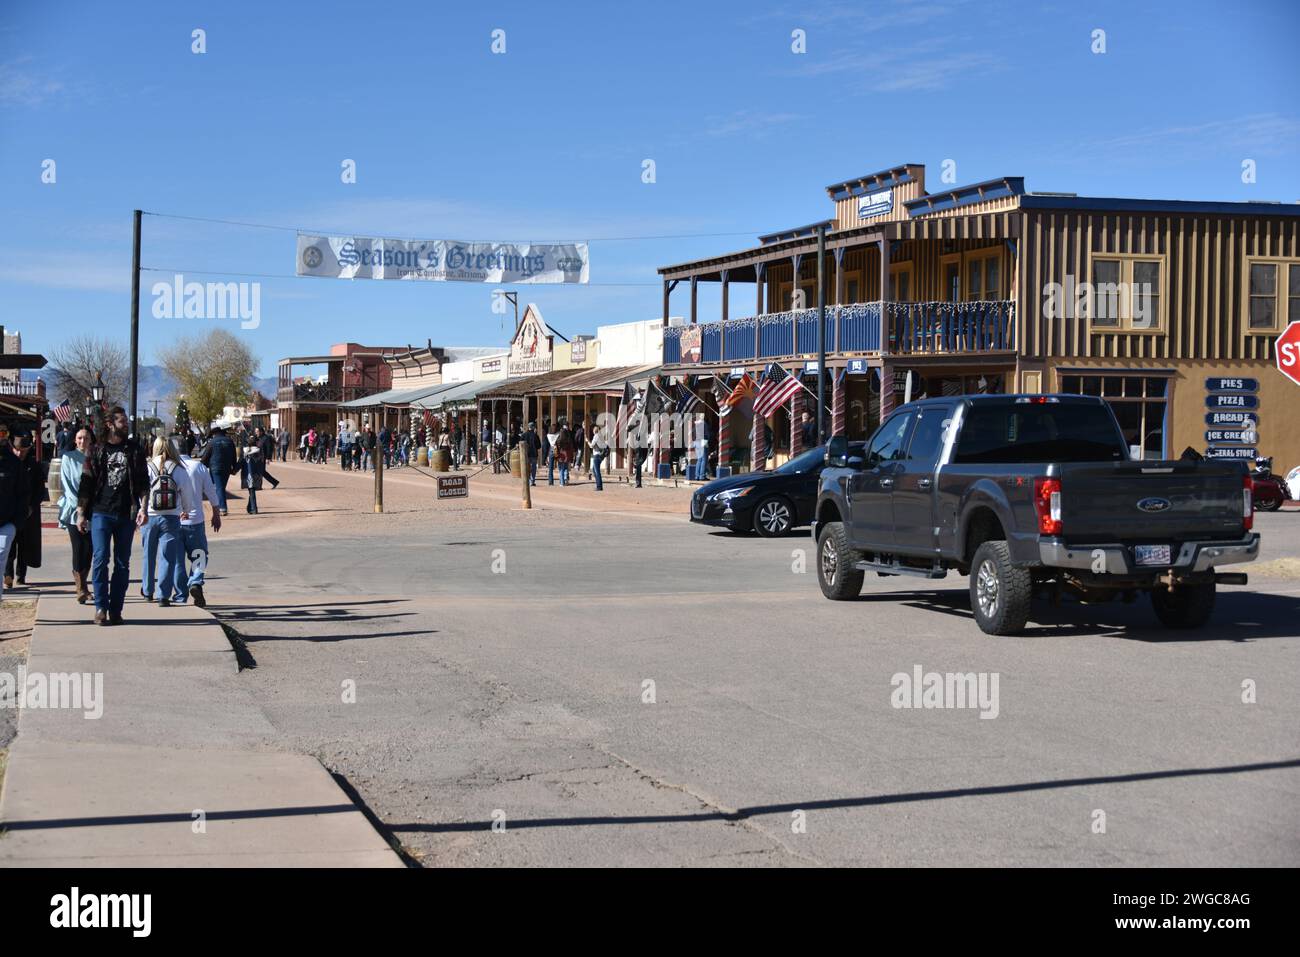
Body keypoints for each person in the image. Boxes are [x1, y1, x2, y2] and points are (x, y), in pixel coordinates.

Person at [78, 406, 149, 626]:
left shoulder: (134, 450)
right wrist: (81, 513)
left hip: (125, 514)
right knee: (100, 559)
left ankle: (116, 609)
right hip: (100, 512)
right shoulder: (97, 449)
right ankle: (101, 607)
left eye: (126, 421)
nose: (126, 424)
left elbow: (143, 483)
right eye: (122, 421)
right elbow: (86, 483)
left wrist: (143, 508)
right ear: (110, 424)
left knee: (122, 563)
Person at [173, 443, 221, 606]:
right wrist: (216, 513)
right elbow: (211, 491)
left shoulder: (170, 467)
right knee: (200, 554)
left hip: (174, 520)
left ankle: (180, 596)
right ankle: (196, 581)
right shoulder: (199, 467)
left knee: (178, 560)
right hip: (195, 521)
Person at [141, 436, 184, 606]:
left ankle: (147, 590)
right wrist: (184, 510)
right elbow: (185, 491)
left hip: (150, 515)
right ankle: (163, 595)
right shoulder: (178, 468)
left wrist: (141, 510)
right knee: (168, 556)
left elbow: (142, 490)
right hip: (171, 516)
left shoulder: (148, 466)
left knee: (148, 555)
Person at [3, 435, 45, 589]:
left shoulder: (34, 465)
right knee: (9, 545)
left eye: (23, 450)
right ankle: (8, 575)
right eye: (17, 450)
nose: (20, 453)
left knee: (25, 545)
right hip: (10, 511)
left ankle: (21, 575)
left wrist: (32, 506)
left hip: (28, 511)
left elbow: (40, 490)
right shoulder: (8, 464)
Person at [57, 426, 94, 603]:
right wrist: (80, 509)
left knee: (90, 549)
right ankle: (80, 587)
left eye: (86, 438)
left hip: (94, 511)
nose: (82, 441)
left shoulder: (95, 457)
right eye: (79, 438)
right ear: (74, 439)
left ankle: (85, 585)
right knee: (78, 548)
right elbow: (67, 485)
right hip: (73, 509)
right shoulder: (68, 458)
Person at [0, 425, 30, 605]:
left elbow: (23, 494)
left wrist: (16, 523)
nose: (2, 437)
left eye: (4, 433)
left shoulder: (14, 463)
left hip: (6, 523)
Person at [199, 426, 236, 515]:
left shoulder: (212, 442)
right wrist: (234, 468)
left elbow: (205, 456)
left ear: (214, 434)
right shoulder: (230, 441)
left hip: (215, 468)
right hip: (227, 468)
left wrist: (201, 464)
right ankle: (218, 505)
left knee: (219, 488)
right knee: (220, 487)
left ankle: (222, 508)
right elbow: (234, 455)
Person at [241, 440, 266, 513]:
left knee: (251, 491)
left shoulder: (245, 453)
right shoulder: (259, 453)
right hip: (256, 475)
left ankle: (253, 509)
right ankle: (250, 507)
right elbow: (261, 463)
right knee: (252, 491)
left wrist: (233, 470)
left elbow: (240, 462)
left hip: (248, 475)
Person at [588, 420, 609, 491]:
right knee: (594, 470)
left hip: (597, 455)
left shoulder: (596, 436)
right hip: (601, 455)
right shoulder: (601, 436)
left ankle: (599, 486)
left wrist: (587, 441)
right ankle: (598, 485)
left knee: (596, 471)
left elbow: (591, 445)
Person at [556, 422, 574, 486]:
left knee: (561, 469)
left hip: (561, 454)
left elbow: (557, 444)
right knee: (566, 467)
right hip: (567, 453)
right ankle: (566, 480)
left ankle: (562, 482)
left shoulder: (559, 438)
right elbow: (571, 445)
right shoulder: (569, 436)